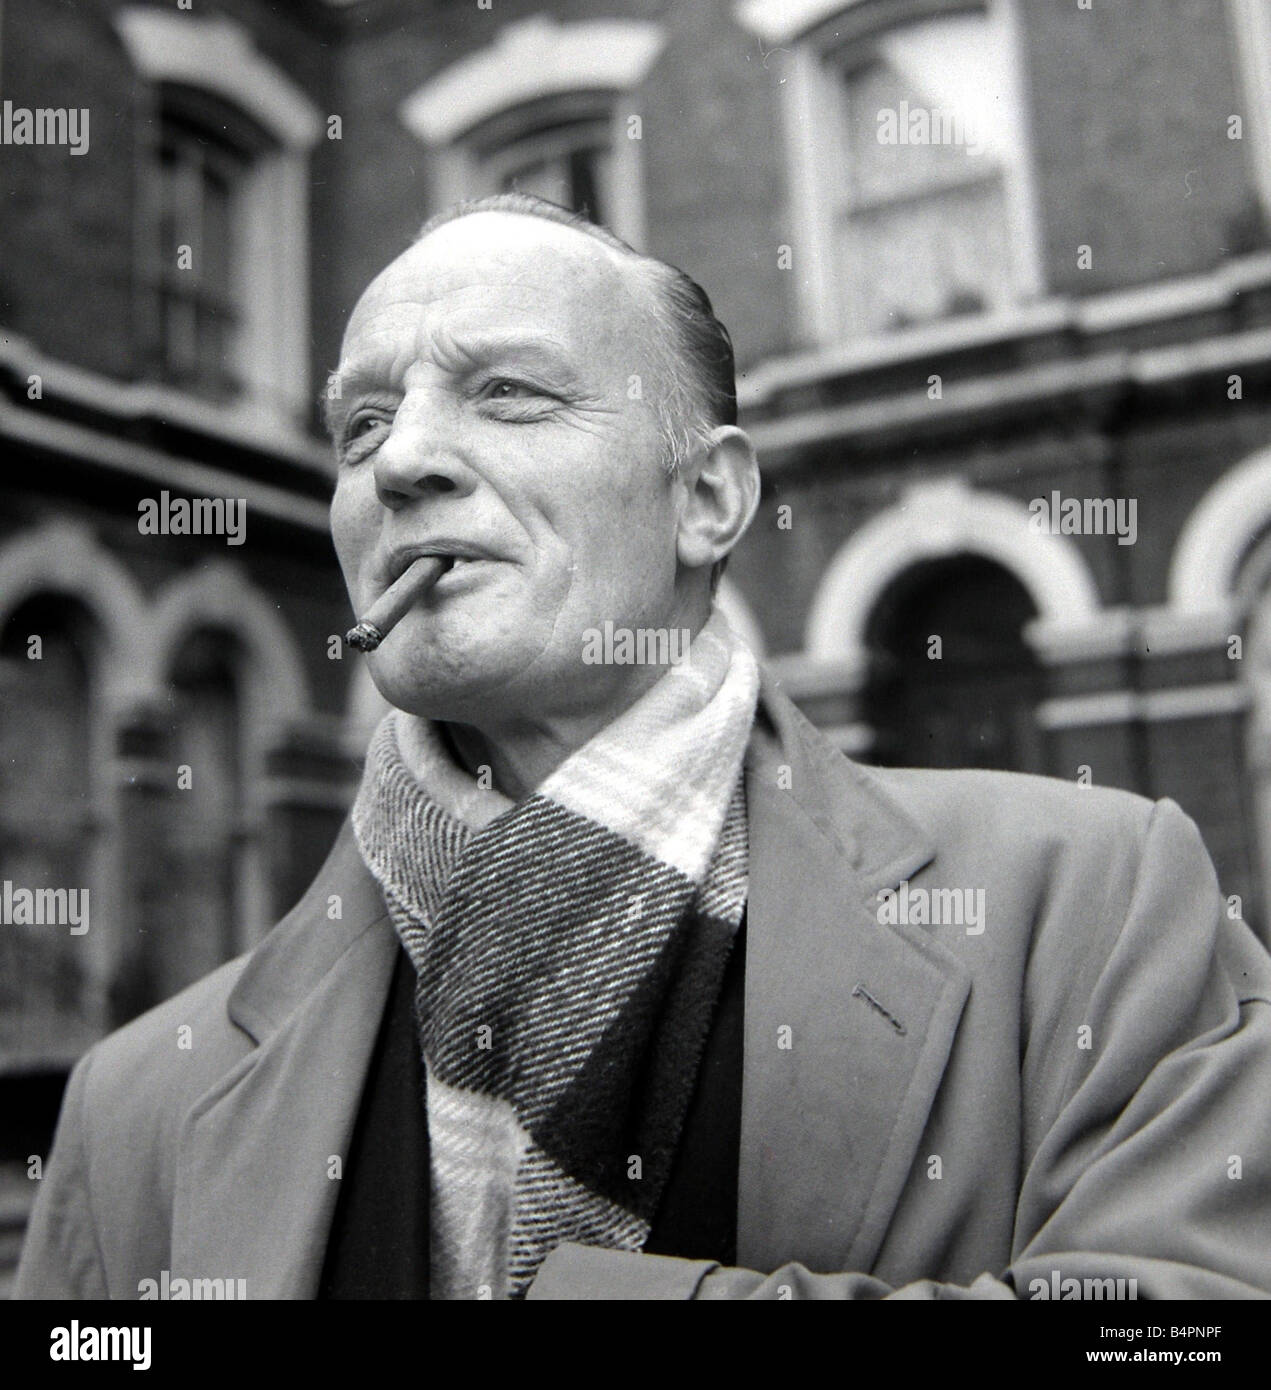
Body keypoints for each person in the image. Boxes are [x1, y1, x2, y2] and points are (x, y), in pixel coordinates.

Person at [15, 193, 1271, 1300]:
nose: (398, 462)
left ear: (707, 498)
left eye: (506, 392)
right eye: (359, 428)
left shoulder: (1098, 904)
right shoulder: (138, 1104)